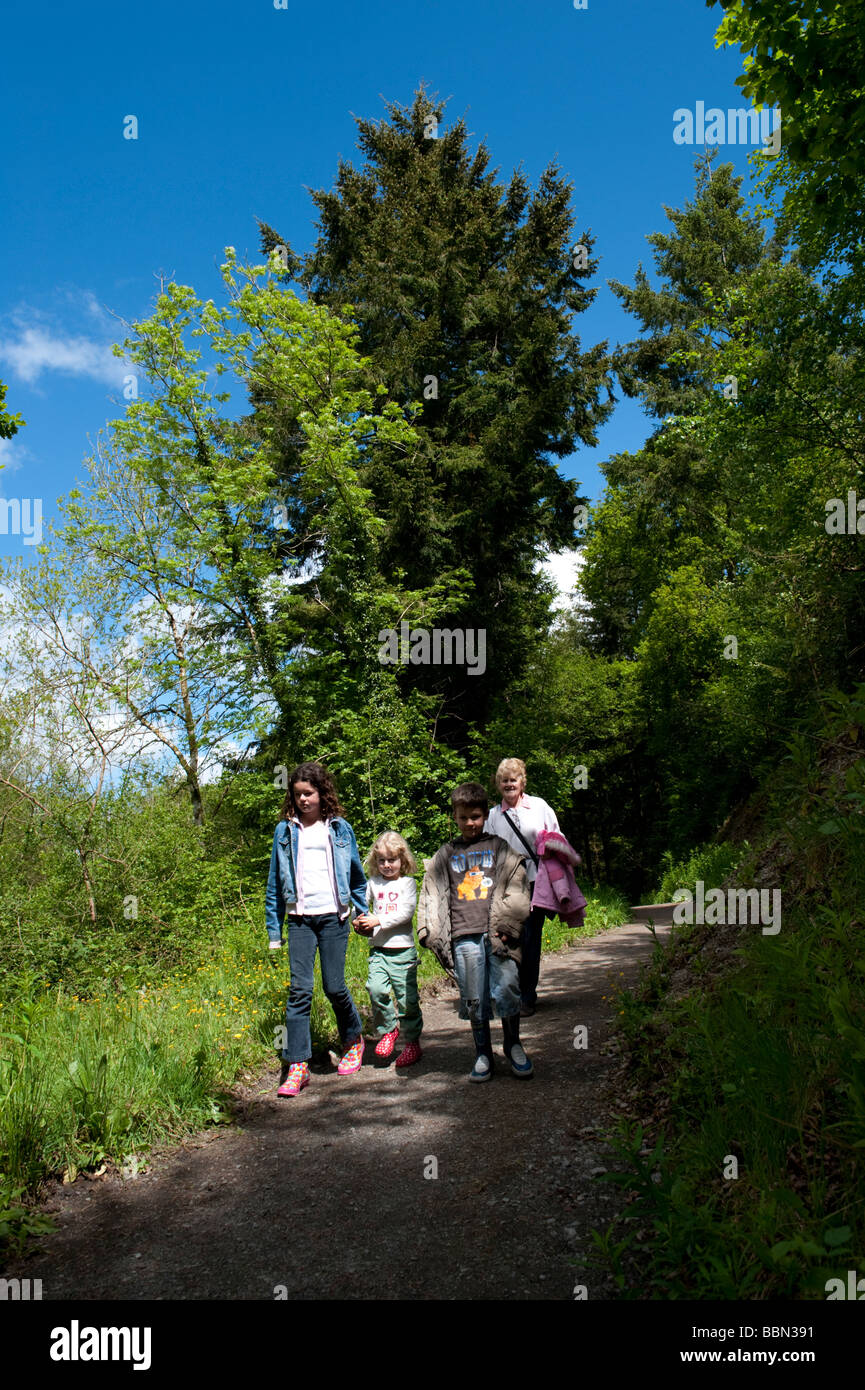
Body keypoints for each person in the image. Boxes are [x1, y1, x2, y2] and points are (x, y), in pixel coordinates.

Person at [417, 781, 533, 1082]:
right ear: (454, 817)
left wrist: (508, 925)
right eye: (464, 817)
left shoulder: (498, 848)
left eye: (476, 817)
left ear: (485, 815)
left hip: (497, 935)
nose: (470, 823)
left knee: (507, 987)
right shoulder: (446, 854)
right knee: (473, 997)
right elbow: (430, 892)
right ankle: (482, 1051)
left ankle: (513, 1044)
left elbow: (517, 886)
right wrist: (429, 929)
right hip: (462, 936)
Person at [265, 761, 367, 1097]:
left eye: (308, 793)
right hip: (300, 920)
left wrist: (363, 911)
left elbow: (355, 877)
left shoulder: (339, 829)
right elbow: (274, 885)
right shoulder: (285, 831)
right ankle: (297, 1065)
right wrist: (273, 931)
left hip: (334, 918)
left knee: (334, 986)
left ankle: (353, 1041)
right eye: (297, 795)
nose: (303, 800)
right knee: (299, 991)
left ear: (322, 794)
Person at [484, 758, 561, 1017]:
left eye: (513, 779)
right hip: (505, 887)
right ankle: (510, 991)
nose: (509, 784)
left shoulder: (539, 807)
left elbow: (557, 838)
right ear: (498, 785)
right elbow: (486, 852)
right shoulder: (494, 816)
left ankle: (527, 995)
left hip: (536, 881)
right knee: (509, 937)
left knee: (530, 938)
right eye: (504, 780)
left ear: (522, 782)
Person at [354, 831, 423, 1069]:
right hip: (379, 949)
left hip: (403, 950)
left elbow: (405, 913)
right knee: (375, 989)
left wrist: (378, 920)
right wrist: (358, 920)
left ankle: (412, 1042)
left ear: (402, 861)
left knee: (407, 999)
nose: (386, 865)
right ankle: (388, 1030)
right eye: (381, 860)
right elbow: (361, 907)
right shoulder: (373, 883)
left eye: (391, 860)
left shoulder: (408, 883)